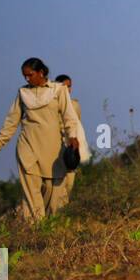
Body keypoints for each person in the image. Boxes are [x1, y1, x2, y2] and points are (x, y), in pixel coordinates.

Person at [0, 58, 80, 222]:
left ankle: (50, 230)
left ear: (41, 72)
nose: (27, 79)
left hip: (53, 150)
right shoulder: (22, 93)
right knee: (31, 192)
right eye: (24, 76)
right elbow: (11, 123)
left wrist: (73, 137)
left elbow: (69, 117)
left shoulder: (59, 90)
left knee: (52, 194)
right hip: (28, 147)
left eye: (30, 75)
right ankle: (34, 232)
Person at [49, 73, 90, 210]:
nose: (68, 90)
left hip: (71, 148)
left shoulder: (75, 105)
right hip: (55, 147)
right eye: (64, 87)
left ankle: (62, 213)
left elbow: (76, 124)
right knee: (56, 184)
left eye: (69, 86)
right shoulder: (51, 105)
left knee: (69, 183)